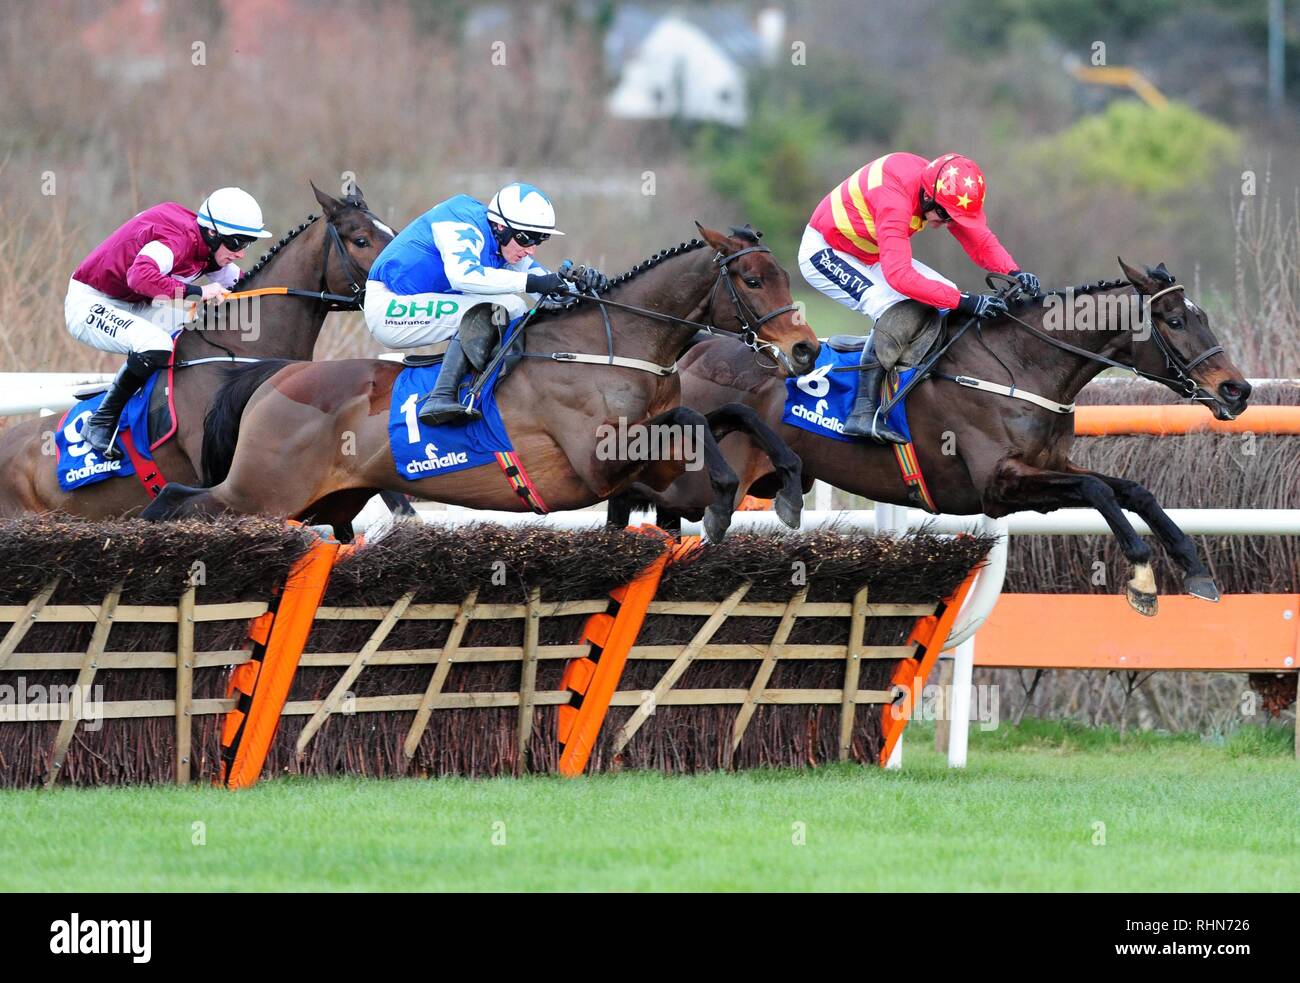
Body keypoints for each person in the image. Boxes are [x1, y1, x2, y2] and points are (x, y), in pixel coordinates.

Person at [799, 152, 1039, 442]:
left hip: (871, 251)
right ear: (928, 198)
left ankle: (918, 380)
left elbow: (979, 239)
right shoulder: (895, 198)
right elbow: (899, 276)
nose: (948, 222)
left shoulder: (939, 189)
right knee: (897, 308)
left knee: (944, 291)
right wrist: (967, 301)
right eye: (946, 216)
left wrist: (1014, 271)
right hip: (826, 251)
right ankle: (861, 413)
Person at [364, 182, 608, 425]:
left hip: (423, 300)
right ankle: (440, 398)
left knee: (513, 307)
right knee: (506, 306)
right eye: (527, 239)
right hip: (389, 305)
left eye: (539, 240)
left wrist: (582, 285)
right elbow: (464, 275)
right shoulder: (459, 221)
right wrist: (535, 283)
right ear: (501, 226)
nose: (531, 250)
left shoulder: (507, 243)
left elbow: (549, 290)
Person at [66, 187, 272, 457]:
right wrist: (198, 292)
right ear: (212, 233)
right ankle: (100, 423)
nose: (241, 252)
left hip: (136, 303)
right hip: (91, 302)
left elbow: (245, 287)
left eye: (247, 243)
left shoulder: (211, 249)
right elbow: (138, 278)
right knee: (156, 343)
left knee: (200, 327)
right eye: (237, 243)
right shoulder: (179, 239)